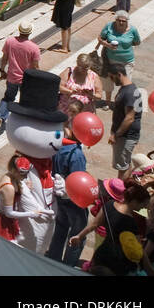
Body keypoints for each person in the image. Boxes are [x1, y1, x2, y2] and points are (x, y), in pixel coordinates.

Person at [70, 180, 154, 275]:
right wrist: (152, 272)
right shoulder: (132, 223)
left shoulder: (109, 205)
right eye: (143, 204)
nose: (143, 208)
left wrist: (79, 236)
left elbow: (94, 225)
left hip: (101, 255)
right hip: (117, 263)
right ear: (135, 201)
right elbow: (140, 250)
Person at [45, 113, 90, 267]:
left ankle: (53, 259)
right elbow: (79, 179)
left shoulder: (57, 146)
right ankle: (68, 266)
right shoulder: (76, 154)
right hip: (73, 200)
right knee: (78, 233)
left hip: (60, 197)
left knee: (61, 228)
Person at [0, 20, 40, 135]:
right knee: (24, 101)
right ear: (30, 32)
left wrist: (2, 70)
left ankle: (0, 117)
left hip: (12, 76)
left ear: (19, 30)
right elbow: (36, 66)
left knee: (8, 98)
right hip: (26, 79)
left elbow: (4, 58)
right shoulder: (34, 48)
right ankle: (20, 122)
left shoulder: (10, 41)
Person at [97, 11, 140, 105]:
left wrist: (125, 46)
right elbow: (100, 38)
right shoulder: (109, 26)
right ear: (115, 20)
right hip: (110, 60)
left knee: (126, 82)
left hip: (127, 61)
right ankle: (107, 102)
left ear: (127, 21)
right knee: (108, 81)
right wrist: (106, 44)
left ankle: (120, 101)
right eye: (119, 20)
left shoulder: (133, 30)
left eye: (123, 21)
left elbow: (137, 42)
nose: (121, 22)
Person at [108, 70, 143, 179]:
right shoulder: (127, 89)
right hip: (125, 134)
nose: (111, 80)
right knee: (125, 164)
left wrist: (116, 135)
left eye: (112, 77)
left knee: (122, 168)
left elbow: (129, 118)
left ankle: (118, 193)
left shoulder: (129, 93)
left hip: (126, 135)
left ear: (119, 74)